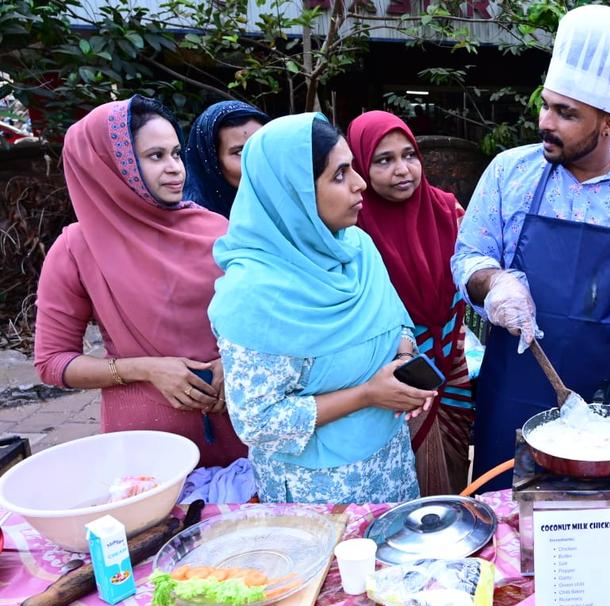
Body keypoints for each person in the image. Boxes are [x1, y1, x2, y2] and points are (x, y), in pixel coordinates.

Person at [451, 4, 610, 491]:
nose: (546, 122)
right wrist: (496, 283)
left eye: (567, 113)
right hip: (514, 389)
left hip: (608, 404)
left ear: (609, 122)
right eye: (546, 105)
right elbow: (467, 259)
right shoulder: (508, 174)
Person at [208, 114, 436, 503]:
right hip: (316, 489)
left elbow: (397, 322)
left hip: (390, 464)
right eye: (339, 174)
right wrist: (367, 394)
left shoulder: (356, 248)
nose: (360, 183)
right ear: (293, 193)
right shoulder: (251, 295)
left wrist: (403, 363)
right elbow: (260, 422)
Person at [34, 95, 246, 468]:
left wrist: (234, 361)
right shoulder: (76, 249)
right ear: (111, 165)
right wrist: (146, 368)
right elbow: (53, 362)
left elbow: (262, 320)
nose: (174, 168)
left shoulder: (219, 231)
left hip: (238, 420)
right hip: (146, 441)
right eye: (155, 156)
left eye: (176, 153)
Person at [347, 110, 473, 496]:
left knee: (451, 474)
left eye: (409, 155)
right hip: (390, 376)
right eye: (383, 161)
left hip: (450, 365)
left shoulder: (449, 211)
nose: (402, 170)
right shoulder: (351, 227)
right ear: (359, 166)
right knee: (405, 483)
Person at [182, 101, 269, 218]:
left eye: (263, 147)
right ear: (212, 163)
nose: (258, 161)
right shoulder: (190, 223)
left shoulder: (290, 202)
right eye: (240, 152)